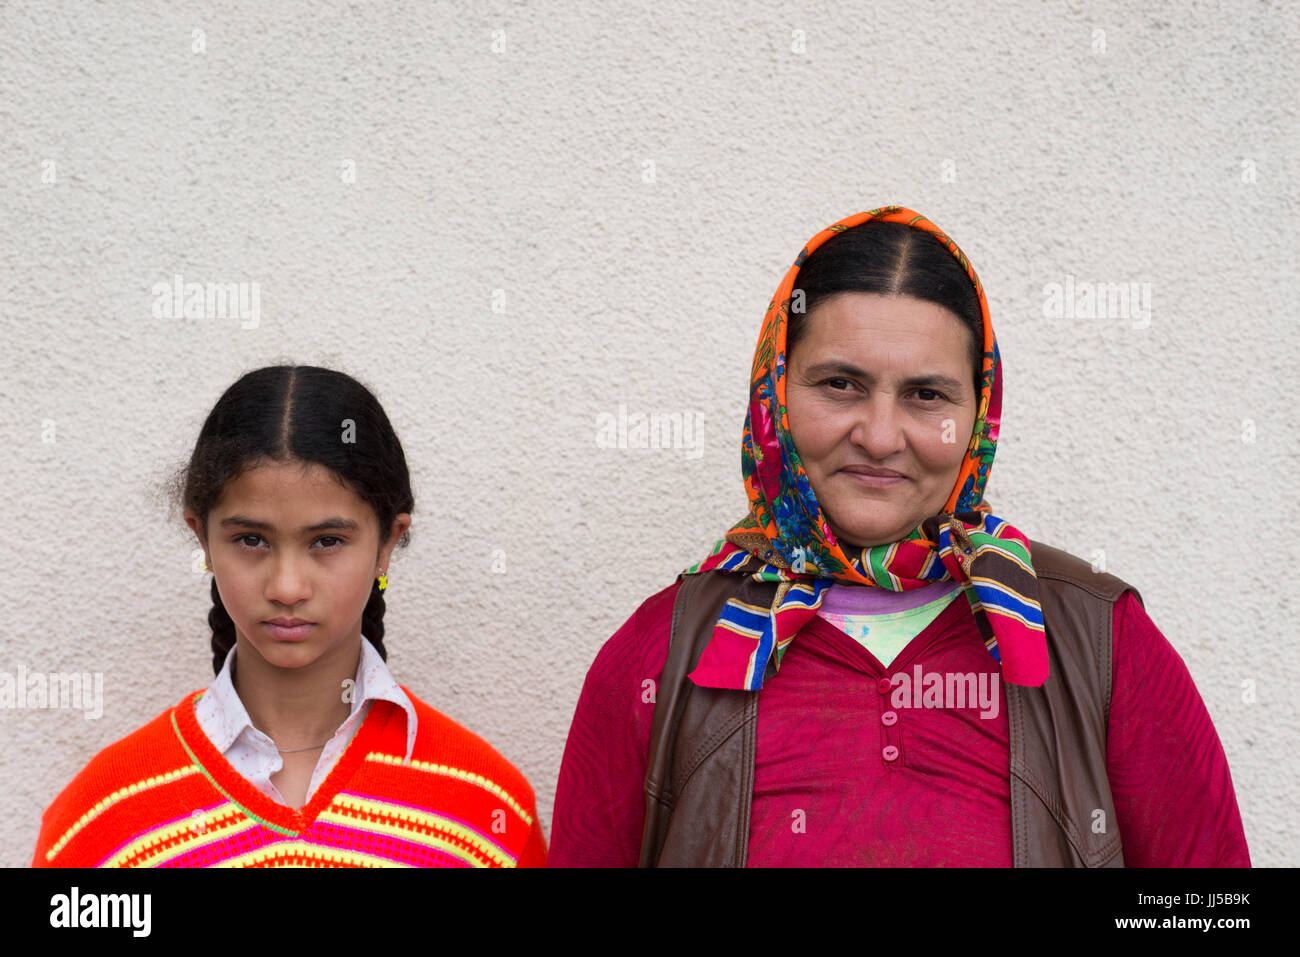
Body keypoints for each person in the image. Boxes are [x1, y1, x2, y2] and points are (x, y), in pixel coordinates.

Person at [551, 205, 1250, 867]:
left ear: (978, 414)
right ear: (776, 392)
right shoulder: (659, 656)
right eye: (841, 383)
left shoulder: (1100, 644)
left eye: (926, 395)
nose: (880, 436)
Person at [33, 365, 546, 867]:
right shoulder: (104, 823)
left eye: (327, 541)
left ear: (388, 542)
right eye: (251, 540)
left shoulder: (485, 815)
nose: (286, 588)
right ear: (202, 539)